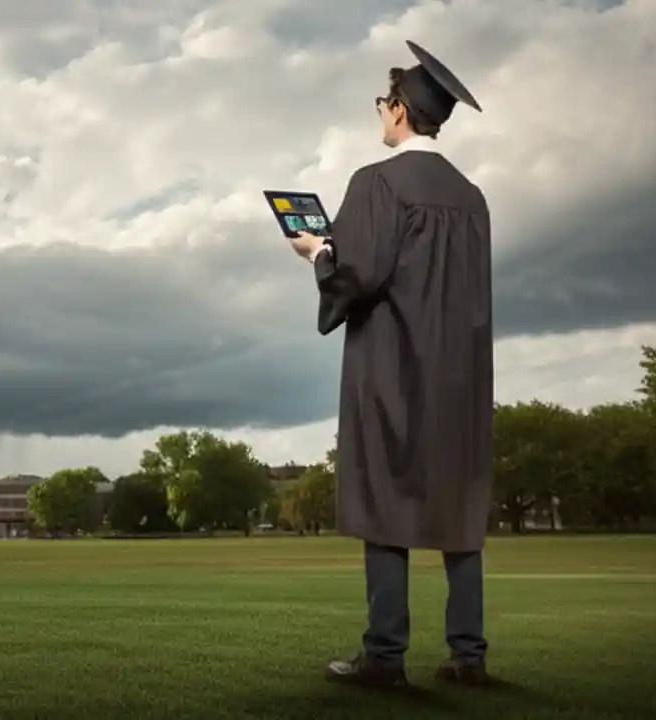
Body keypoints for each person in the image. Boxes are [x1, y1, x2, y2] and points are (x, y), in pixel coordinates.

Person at [288, 41, 494, 689]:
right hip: (460, 376)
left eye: (384, 104)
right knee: (458, 510)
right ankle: (469, 656)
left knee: (385, 503)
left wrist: (319, 254)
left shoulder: (376, 183)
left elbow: (360, 274)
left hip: (393, 368)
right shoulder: (471, 197)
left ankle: (385, 657)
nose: (380, 114)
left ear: (402, 110)